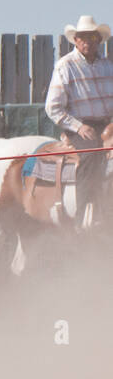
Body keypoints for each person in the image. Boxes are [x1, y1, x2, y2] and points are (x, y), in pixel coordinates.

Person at [44, 15, 113, 228]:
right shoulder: (65, 65)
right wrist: (78, 126)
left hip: (108, 124)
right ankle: (84, 217)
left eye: (91, 37)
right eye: (82, 37)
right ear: (75, 40)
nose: (87, 41)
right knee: (91, 155)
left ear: (98, 40)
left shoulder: (107, 66)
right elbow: (52, 107)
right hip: (81, 125)